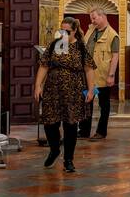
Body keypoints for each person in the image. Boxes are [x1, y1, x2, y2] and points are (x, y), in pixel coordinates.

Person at [33, 17, 95, 173]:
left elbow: (89, 69)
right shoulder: (55, 45)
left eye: (67, 31)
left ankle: (68, 159)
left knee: (70, 124)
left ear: (74, 31)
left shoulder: (81, 47)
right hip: (53, 89)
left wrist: (91, 90)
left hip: (73, 90)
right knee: (50, 122)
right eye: (61, 30)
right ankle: (54, 149)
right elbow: (44, 65)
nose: (63, 34)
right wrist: (38, 85)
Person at [80, 9, 120, 140]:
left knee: (104, 104)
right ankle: (84, 130)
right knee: (86, 102)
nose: (92, 21)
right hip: (87, 74)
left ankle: (101, 132)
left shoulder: (112, 35)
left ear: (103, 17)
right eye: (91, 18)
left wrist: (111, 75)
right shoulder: (91, 30)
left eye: (94, 18)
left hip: (102, 74)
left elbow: (115, 57)